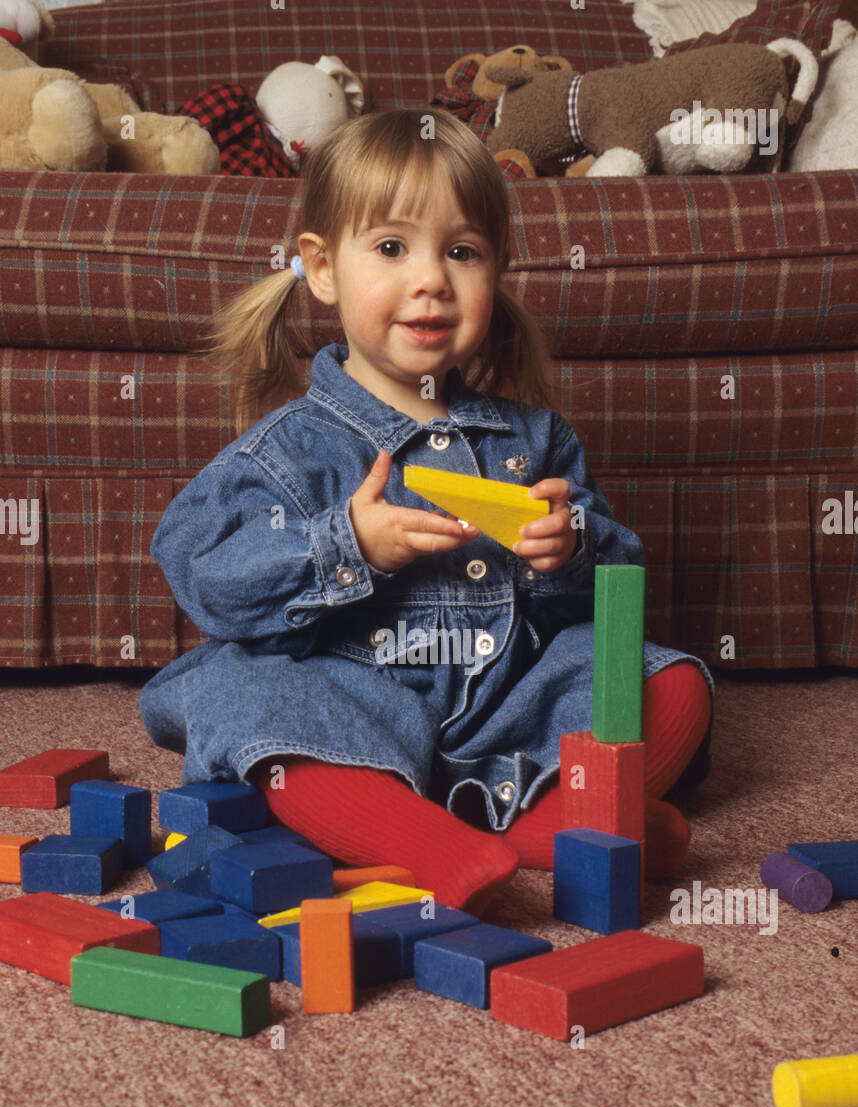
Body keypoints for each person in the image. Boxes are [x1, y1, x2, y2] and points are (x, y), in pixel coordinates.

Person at [139, 107, 714, 917]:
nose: (432, 279)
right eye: (390, 248)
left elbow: (617, 593)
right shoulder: (288, 449)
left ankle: (545, 827)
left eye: (462, 251)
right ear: (322, 267)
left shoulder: (533, 438)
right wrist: (349, 545)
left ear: (497, 274)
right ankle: (425, 842)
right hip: (347, 699)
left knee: (674, 681)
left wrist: (571, 547)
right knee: (246, 697)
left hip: (505, 705)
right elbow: (203, 574)